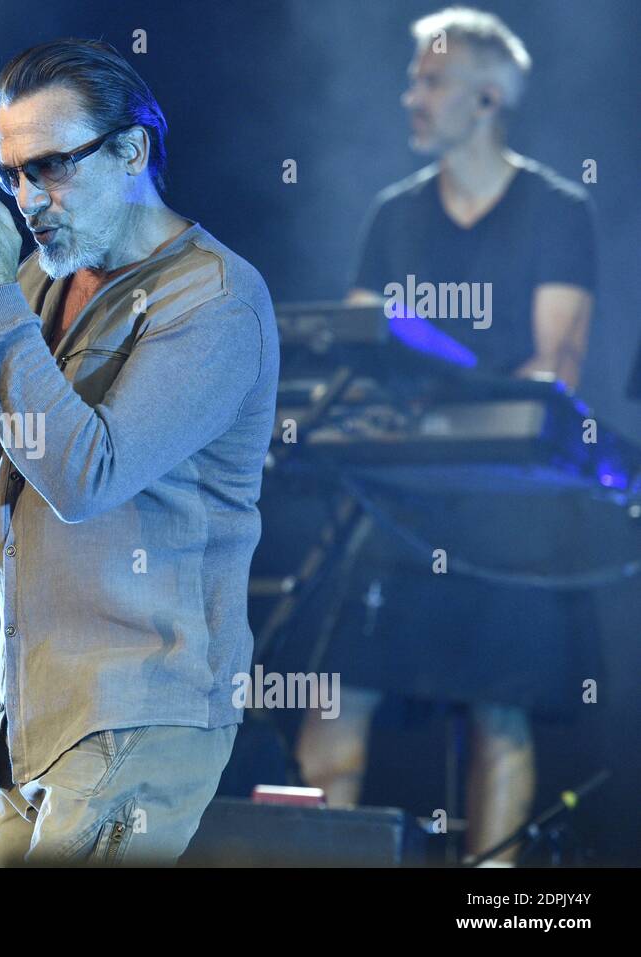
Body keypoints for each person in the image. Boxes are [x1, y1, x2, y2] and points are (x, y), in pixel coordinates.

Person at [0, 38, 279, 866]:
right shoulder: (33, 283)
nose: (28, 199)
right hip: (33, 709)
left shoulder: (213, 301)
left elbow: (83, 473)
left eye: (52, 167)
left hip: (141, 706)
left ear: (132, 150)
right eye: (12, 173)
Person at [294, 7, 599, 862]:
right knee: (336, 708)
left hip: (511, 509)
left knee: (498, 717)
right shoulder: (394, 215)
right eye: (413, 80)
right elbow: (357, 346)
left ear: (488, 97)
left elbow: (556, 368)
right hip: (400, 506)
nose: (410, 97)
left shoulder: (556, 209)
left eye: (430, 81)